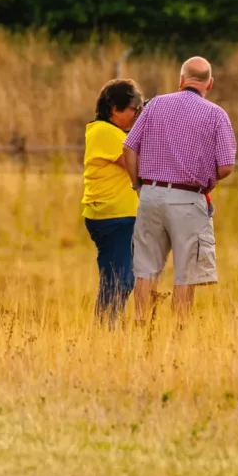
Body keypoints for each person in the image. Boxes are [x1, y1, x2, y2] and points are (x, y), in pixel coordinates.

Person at [122, 57, 236, 320]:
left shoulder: (155, 105)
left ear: (181, 79)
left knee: (146, 270)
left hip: (150, 194)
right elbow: (227, 166)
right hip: (188, 198)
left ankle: (142, 328)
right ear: (210, 83)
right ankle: (179, 333)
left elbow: (129, 146)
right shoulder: (216, 114)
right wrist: (207, 177)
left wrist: (137, 184)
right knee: (186, 273)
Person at [83, 79, 142, 320]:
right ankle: (107, 329)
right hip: (113, 216)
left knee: (120, 278)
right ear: (115, 109)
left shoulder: (107, 132)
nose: (136, 114)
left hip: (115, 215)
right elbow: (136, 165)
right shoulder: (106, 132)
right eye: (133, 109)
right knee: (119, 280)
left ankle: (108, 327)